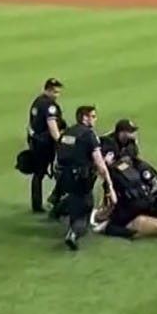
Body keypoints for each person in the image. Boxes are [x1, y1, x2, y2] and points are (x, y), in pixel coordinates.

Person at [54, 104, 116, 251]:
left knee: (74, 201)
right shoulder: (89, 135)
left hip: (63, 176)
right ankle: (74, 233)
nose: (95, 119)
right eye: (92, 116)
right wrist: (109, 185)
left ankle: (59, 213)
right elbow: (100, 163)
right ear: (84, 118)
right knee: (85, 209)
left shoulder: (67, 132)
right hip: (81, 177)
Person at [22, 78, 65, 214]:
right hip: (45, 144)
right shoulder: (49, 106)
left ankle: (37, 203)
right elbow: (52, 127)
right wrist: (60, 142)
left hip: (35, 142)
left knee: (38, 174)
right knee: (57, 172)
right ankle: (55, 201)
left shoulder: (37, 101)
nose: (57, 95)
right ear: (48, 90)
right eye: (55, 92)